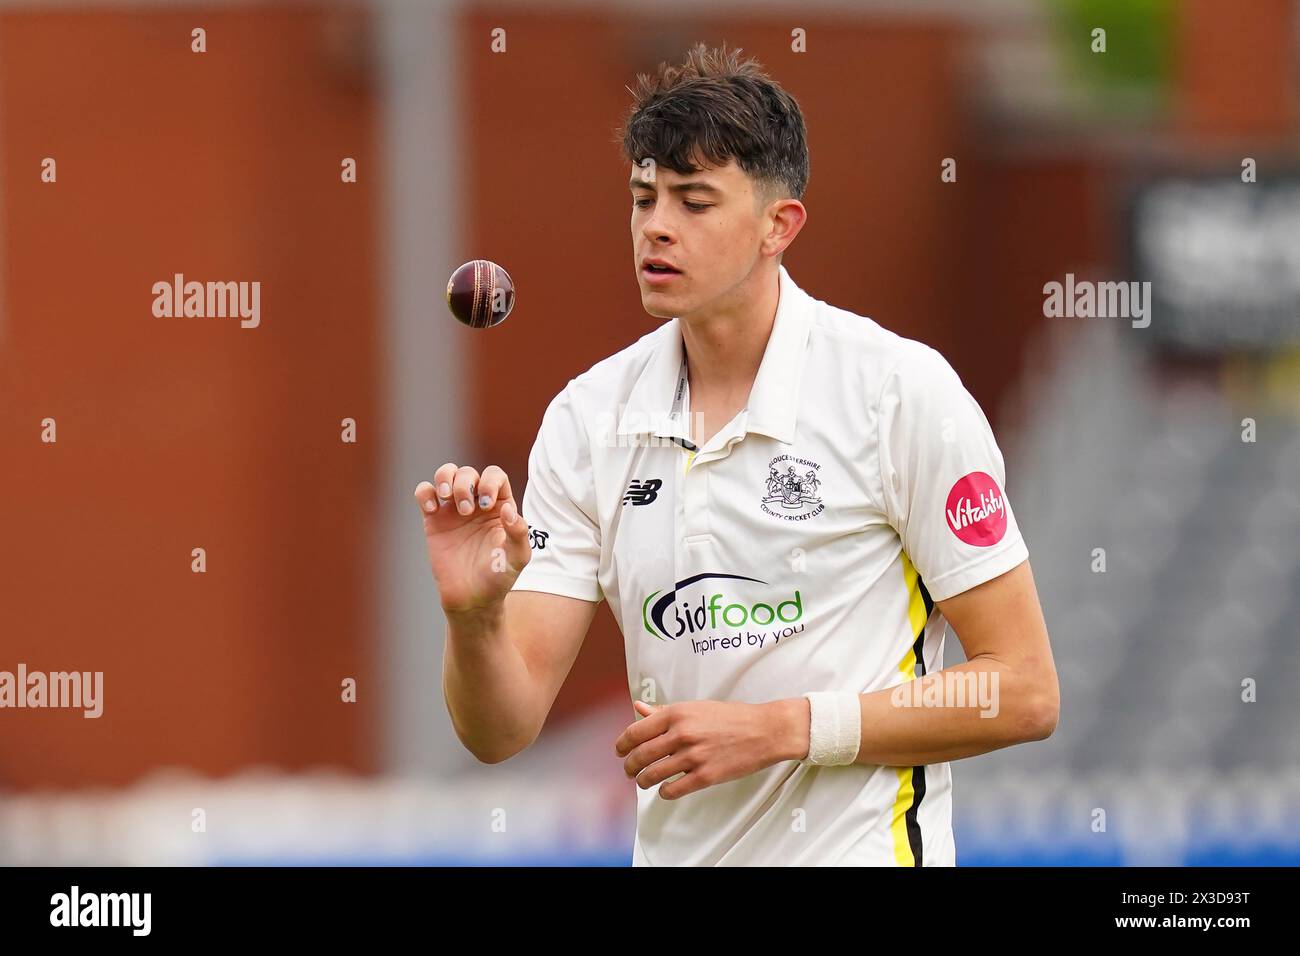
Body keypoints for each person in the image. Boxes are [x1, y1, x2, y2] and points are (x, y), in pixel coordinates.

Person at [414, 42, 1058, 866]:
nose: (656, 225)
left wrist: (785, 728)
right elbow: (501, 731)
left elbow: (1024, 690)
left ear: (777, 226)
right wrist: (474, 618)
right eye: (643, 198)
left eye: (694, 201)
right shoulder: (587, 419)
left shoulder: (899, 391)